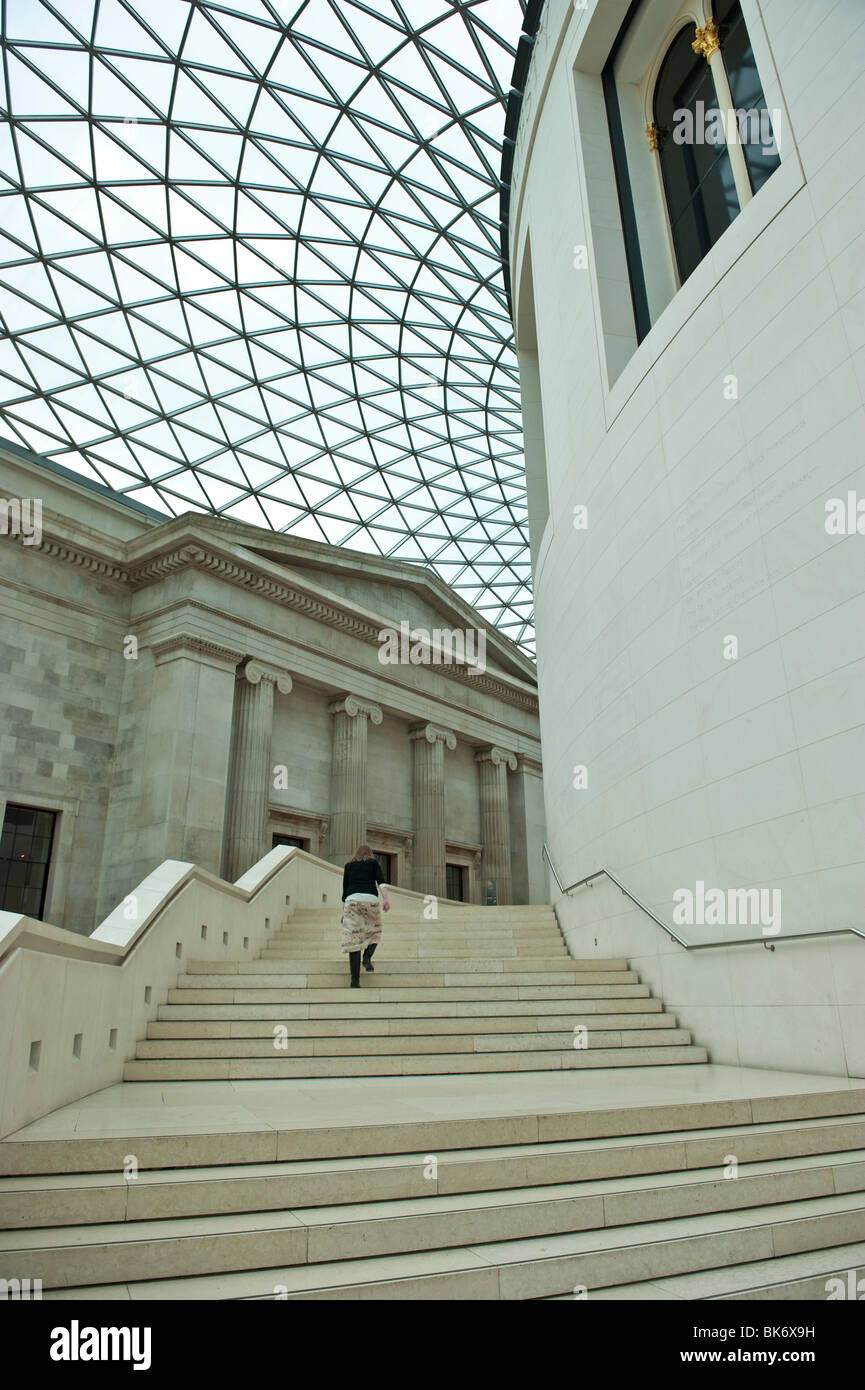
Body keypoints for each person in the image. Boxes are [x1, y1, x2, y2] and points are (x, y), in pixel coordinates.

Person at [340, 844, 391, 989]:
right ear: (370, 854)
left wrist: (343, 912)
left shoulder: (349, 866)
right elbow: (381, 882)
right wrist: (386, 899)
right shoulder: (373, 863)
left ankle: (355, 981)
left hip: (352, 901)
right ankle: (367, 956)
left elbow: (345, 890)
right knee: (375, 931)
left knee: (353, 941)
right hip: (370, 900)